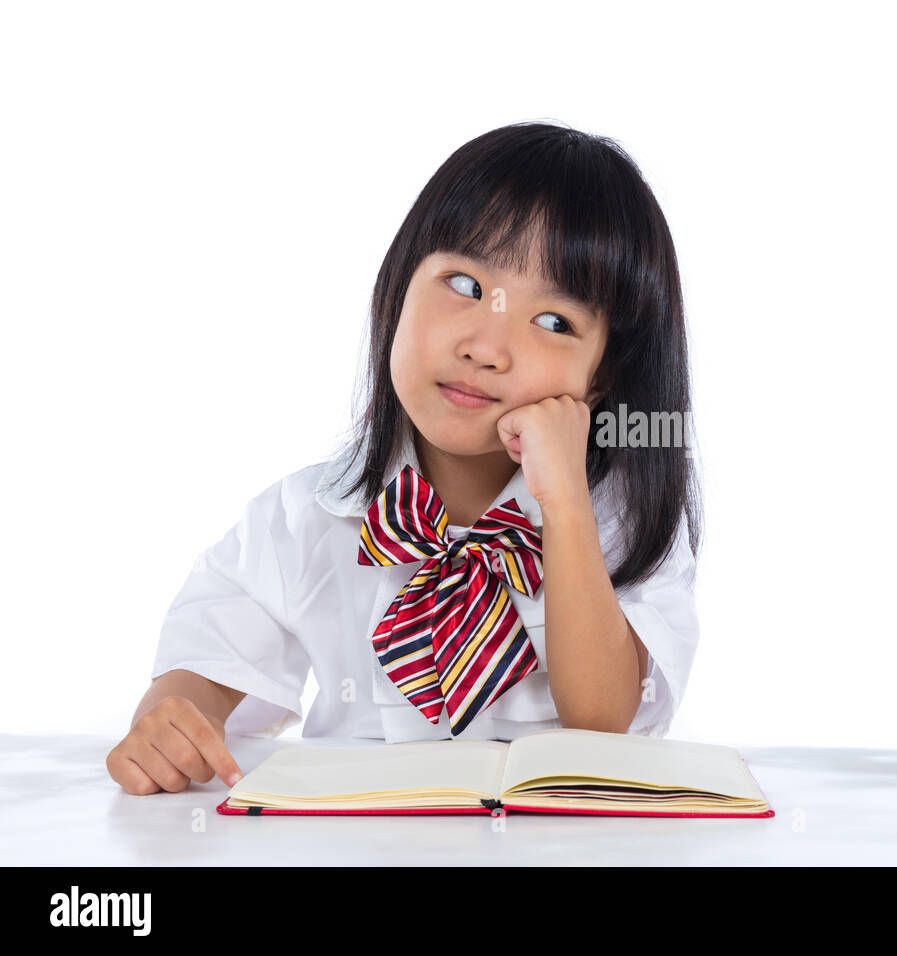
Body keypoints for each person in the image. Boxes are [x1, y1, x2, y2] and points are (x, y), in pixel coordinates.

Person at [107, 121, 703, 796]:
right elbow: (209, 662)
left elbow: (601, 720)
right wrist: (168, 723)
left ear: (602, 380)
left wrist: (564, 503)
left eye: (553, 322)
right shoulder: (310, 514)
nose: (486, 347)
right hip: (356, 840)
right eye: (465, 285)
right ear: (394, 293)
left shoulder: (624, 521)